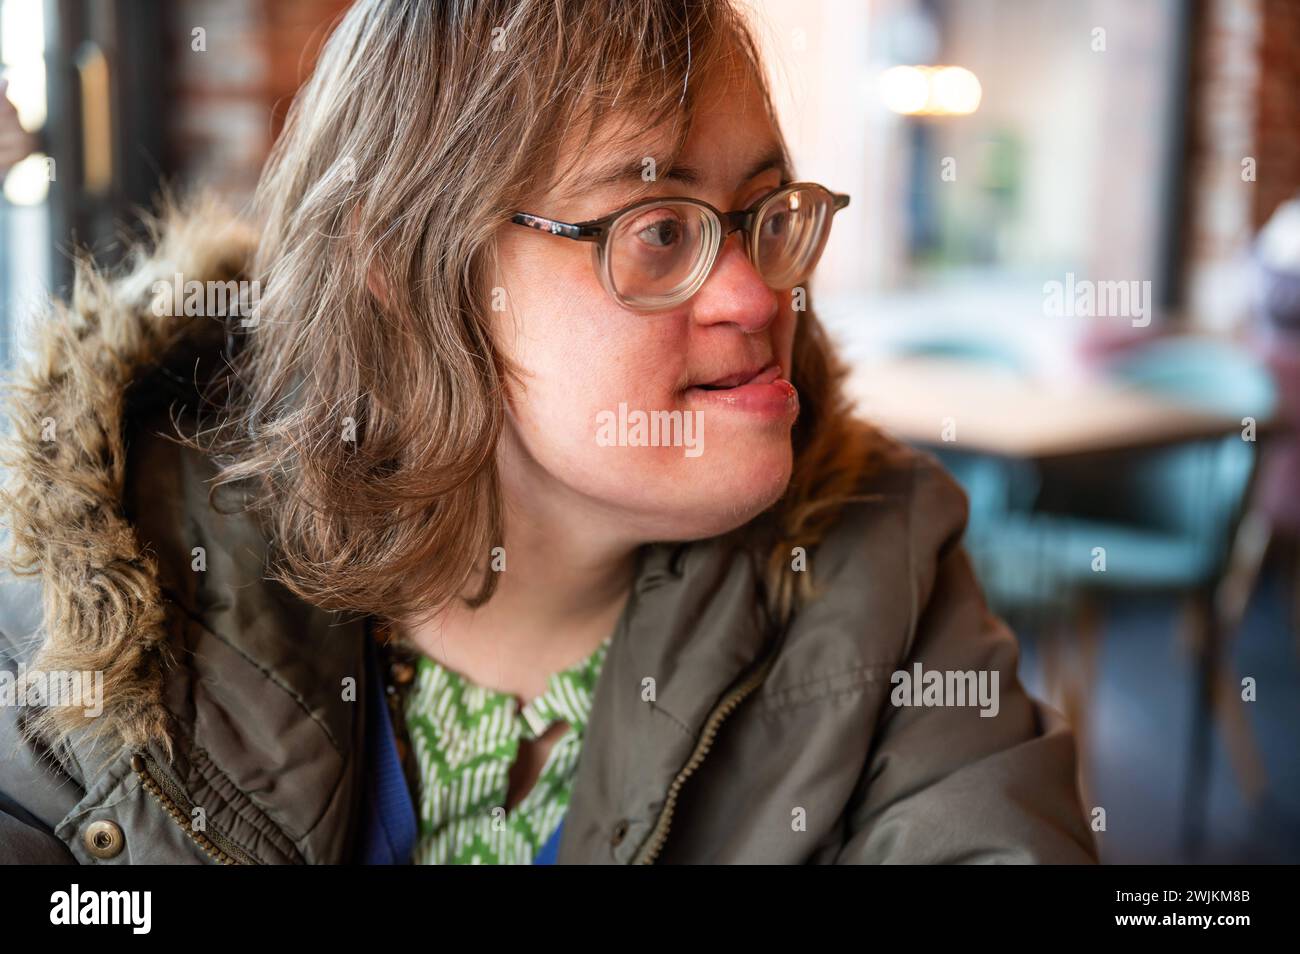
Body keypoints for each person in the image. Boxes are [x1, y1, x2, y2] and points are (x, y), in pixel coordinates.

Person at [0, 0, 1097, 864]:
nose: (759, 298)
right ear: (401, 273)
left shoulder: (876, 557)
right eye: (657, 230)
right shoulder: (102, 595)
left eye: (767, 215)